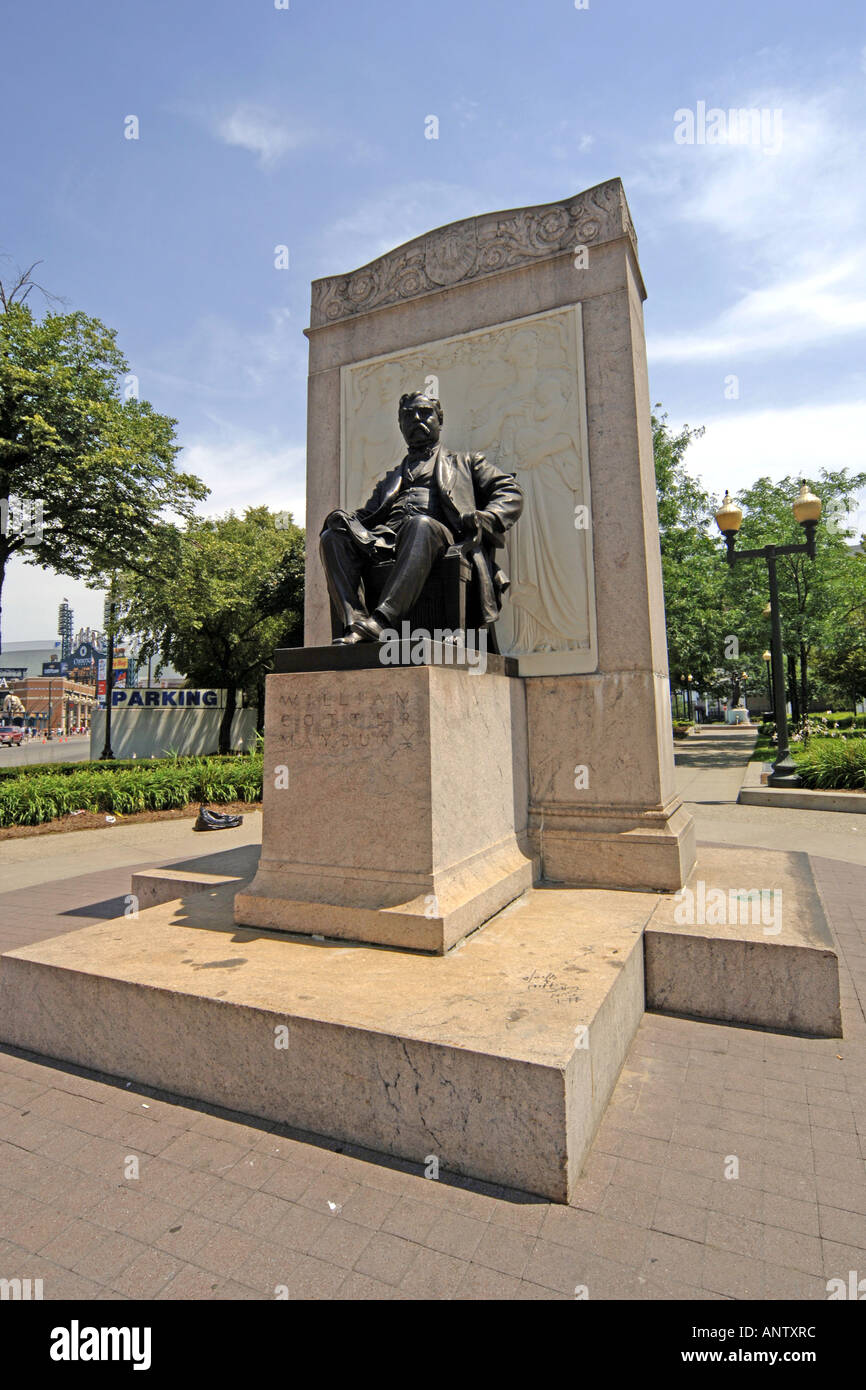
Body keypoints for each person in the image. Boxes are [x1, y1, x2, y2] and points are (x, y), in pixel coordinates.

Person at [319, 390, 523, 644]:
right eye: (408, 416)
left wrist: (486, 517)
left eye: (425, 413)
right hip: (388, 540)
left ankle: (382, 622)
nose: (417, 419)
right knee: (332, 536)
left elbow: (510, 492)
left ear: (440, 420)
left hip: (440, 538)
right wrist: (342, 520)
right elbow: (368, 515)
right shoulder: (391, 477)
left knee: (420, 524)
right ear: (401, 426)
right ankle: (357, 622)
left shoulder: (466, 462)